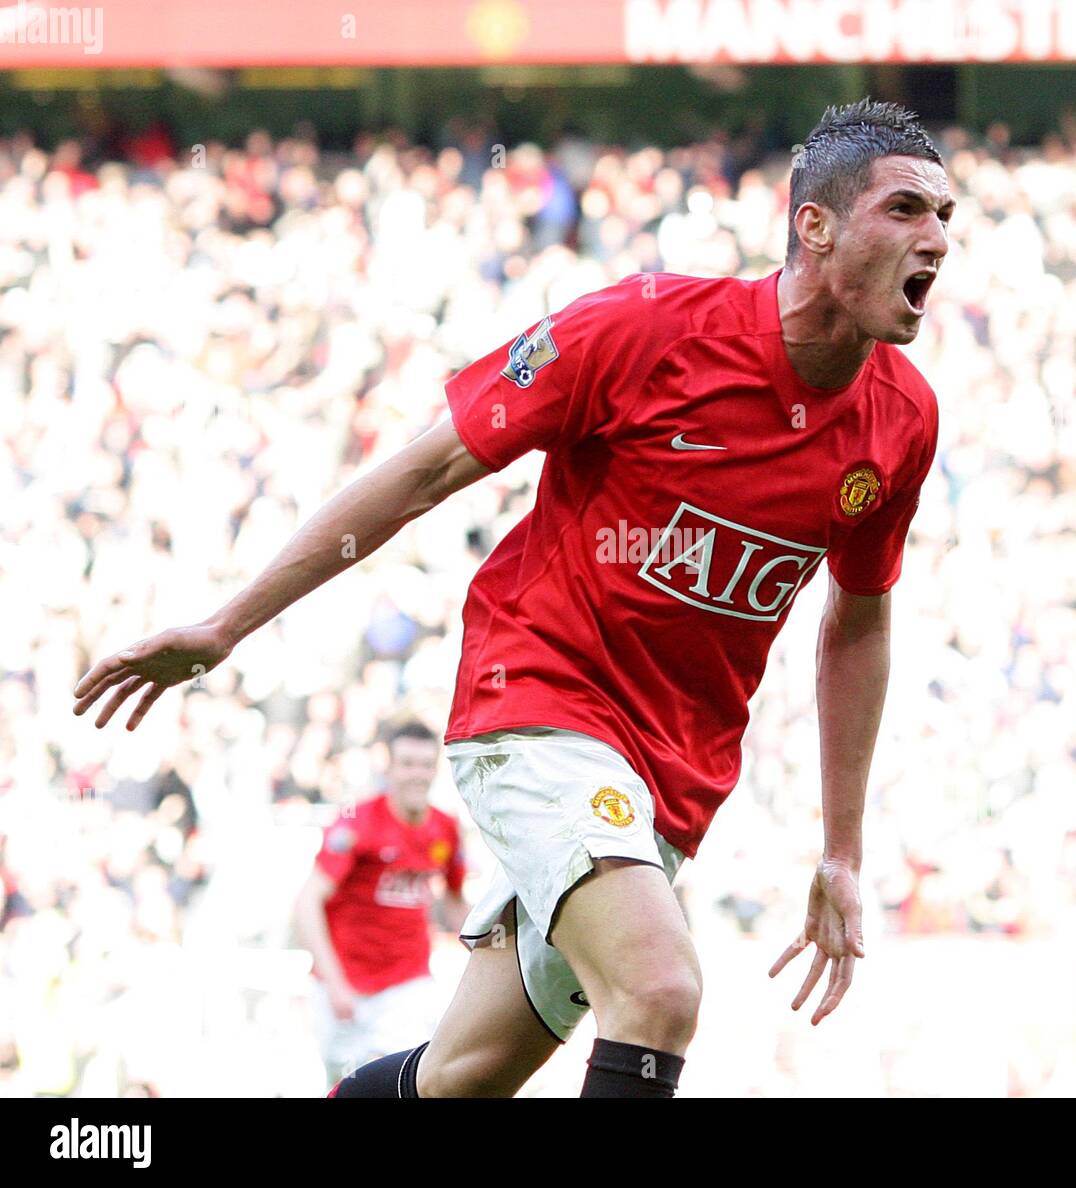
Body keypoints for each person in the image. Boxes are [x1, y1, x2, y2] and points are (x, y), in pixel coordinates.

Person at [72, 98, 952, 1098]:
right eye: (905, 210)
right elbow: (428, 467)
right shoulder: (646, 328)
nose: (936, 239)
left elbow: (859, 619)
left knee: (459, 1078)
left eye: (945, 217)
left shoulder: (901, 421)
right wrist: (228, 622)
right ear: (815, 226)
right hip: (536, 703)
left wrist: (841, 850)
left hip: (672, 778)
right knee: (660, 990)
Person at [293, 721, 468, 1087]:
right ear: (387, 767)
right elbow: (308, 903)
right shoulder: (357, 823)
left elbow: (456, 904)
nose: (417, 774)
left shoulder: (445, 828)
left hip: (406, 985)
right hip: (343, 987)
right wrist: (336, 983)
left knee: (398, 1080)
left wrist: (497, 948)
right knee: (342, 1086)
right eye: (407, 763)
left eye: (425, 764)